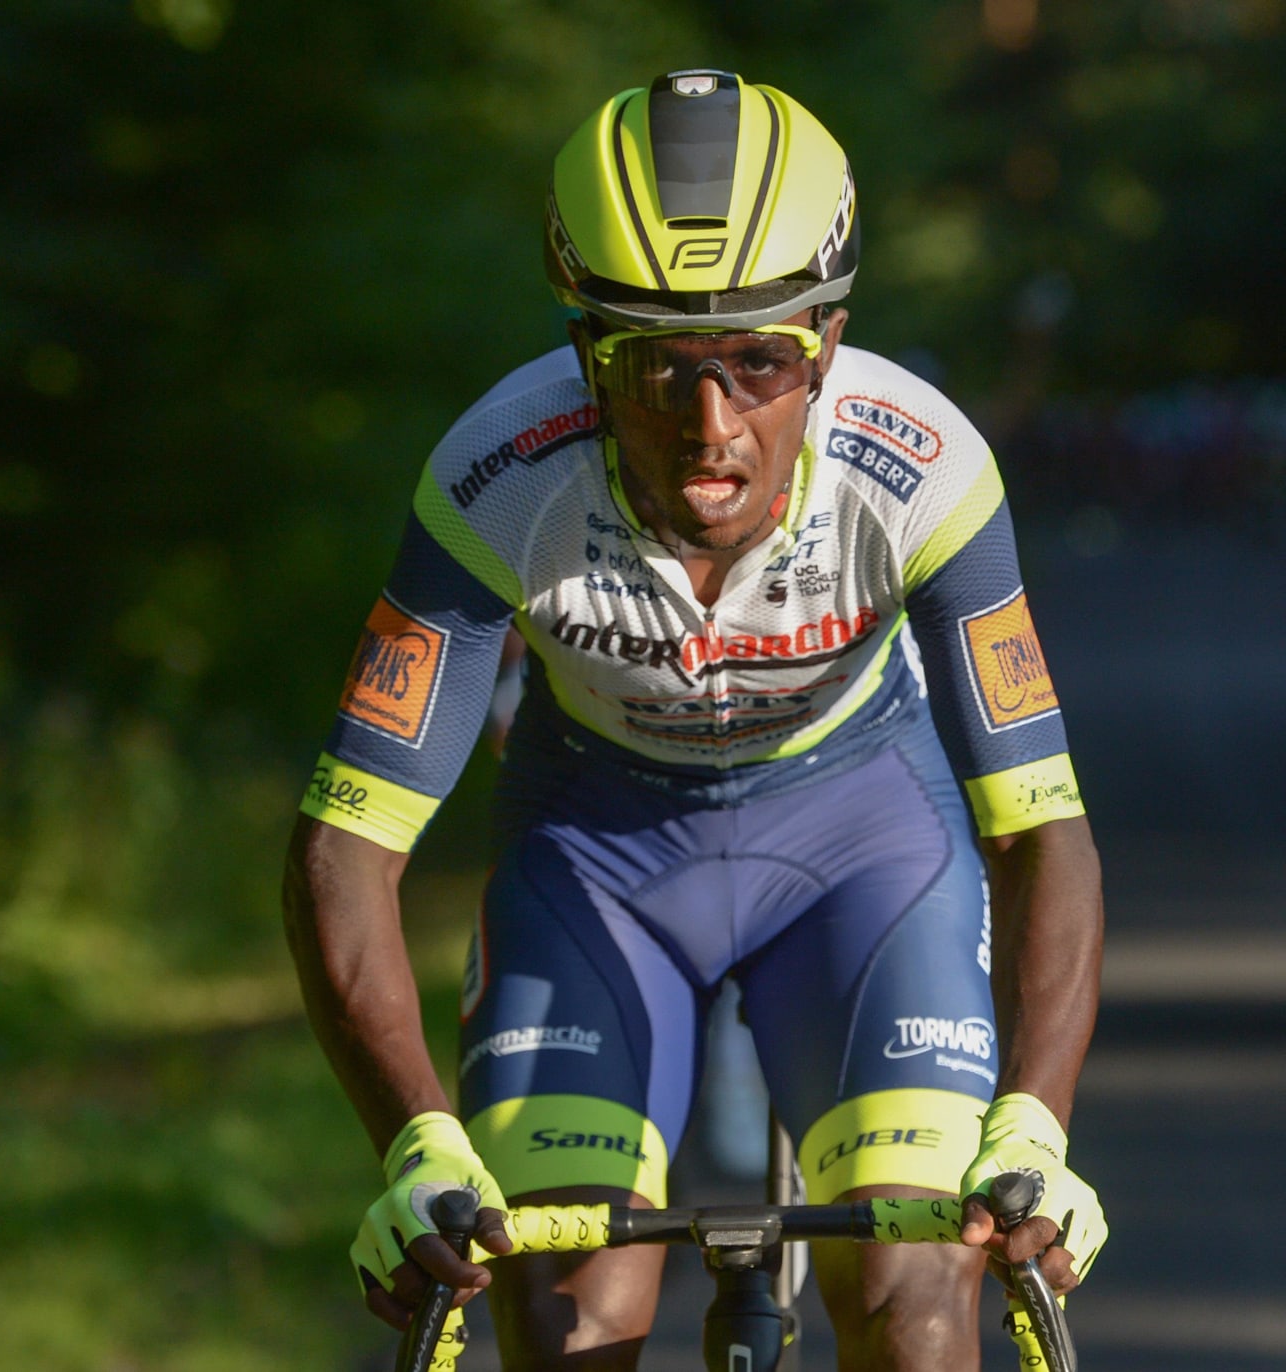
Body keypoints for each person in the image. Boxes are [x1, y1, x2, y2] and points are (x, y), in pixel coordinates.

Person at [280, 70, 1107, 1371]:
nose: (708, 428)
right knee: (562, 1316)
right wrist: (417, 1144)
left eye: (760, 364)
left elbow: (1042, 826)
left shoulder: (926, 470)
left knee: (915, 1300)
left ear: (828, 343)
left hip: (864, 852)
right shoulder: (496, 482)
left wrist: (1037, 1129)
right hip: (596, 865)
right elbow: (345, 843)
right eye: (656, 367)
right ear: (584, 359)